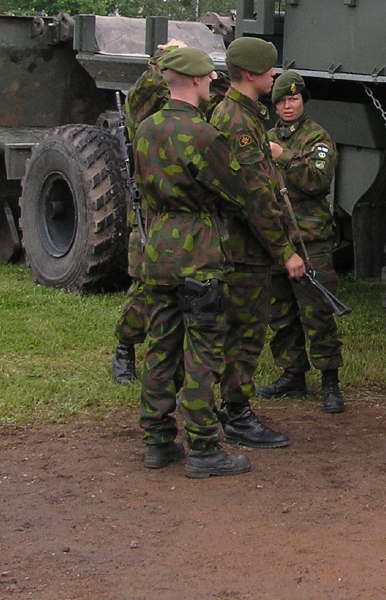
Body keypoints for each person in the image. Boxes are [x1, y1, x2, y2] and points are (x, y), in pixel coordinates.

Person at [131, 46, 253, 478]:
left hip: (158, 250)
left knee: (160, 347)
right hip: (199, 253)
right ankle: (203, 445)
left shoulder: (145, 129)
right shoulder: (203, 135)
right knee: (202, 352)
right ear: (200, 81)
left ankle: (157, 440)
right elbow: (235, 191)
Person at [210, 37, 306, 448]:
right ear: (249, 75)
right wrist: (284, 251)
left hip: (241, 246)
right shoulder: (238, 122)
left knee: (238, 331)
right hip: (243, 250)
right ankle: (237, 413)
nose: (274, 75)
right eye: (268, 70)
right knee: (246, 333)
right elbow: (255, 197)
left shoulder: (242, 115)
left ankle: (228, 406)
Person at [257, 70, 346, 414]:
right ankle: (292, 375)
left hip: (310, 241)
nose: (287, 106)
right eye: (281, 100)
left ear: (303, 100)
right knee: (281, 313)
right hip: (277, 240)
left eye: (292, 99)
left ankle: (329, 382)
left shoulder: (317, 138)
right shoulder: (266, 137)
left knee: (317, 314)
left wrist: (282, 156)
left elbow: (317, 180)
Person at [110, 39, 187, 386]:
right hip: (152, 211)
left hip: (183, 210)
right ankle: (125, 348)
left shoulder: (187, 107)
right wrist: (166, 57)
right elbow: (141, 96)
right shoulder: (144, 109)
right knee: (144, 286)